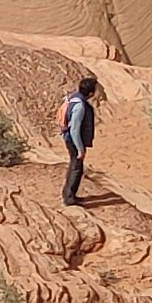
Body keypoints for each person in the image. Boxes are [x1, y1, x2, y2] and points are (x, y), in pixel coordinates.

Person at [60, 76, 101, 206]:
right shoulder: (80, 106)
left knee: (75, 165)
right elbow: (75, 129)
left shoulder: (74, 97)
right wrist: (80, 148)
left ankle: (68, 194)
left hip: (70, 138)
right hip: (73, 140)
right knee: (76, 167)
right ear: (90, 93)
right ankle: (69, 198)